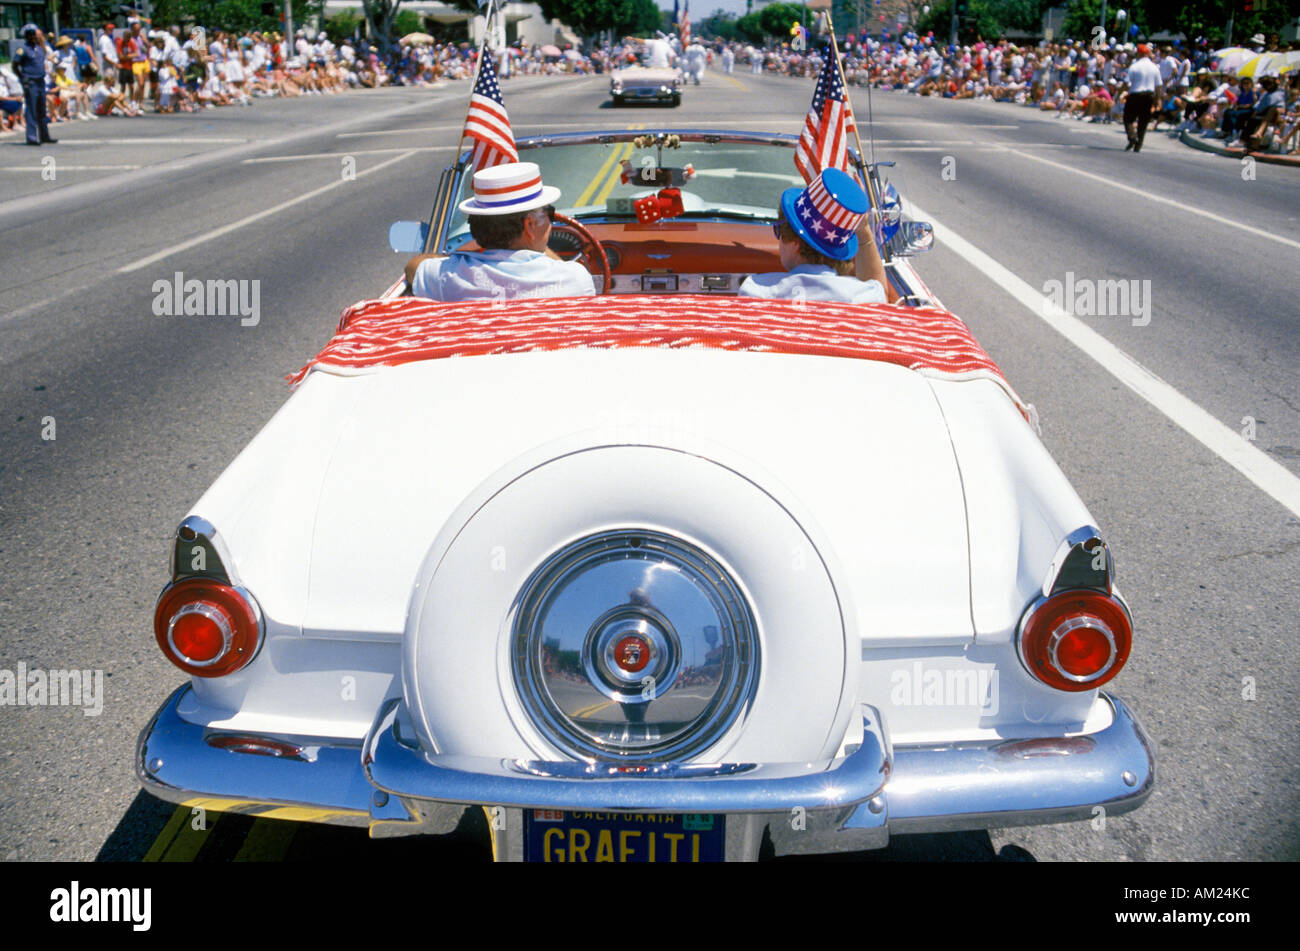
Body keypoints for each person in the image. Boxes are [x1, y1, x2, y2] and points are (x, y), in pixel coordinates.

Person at [405, 162, 596, 302]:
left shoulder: (447, 276)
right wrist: (540, 247)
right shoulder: (574, 279)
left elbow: (413, 267)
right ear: (529, 226)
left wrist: (461, 259)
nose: (551, 222)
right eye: (549, 213)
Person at [738, 168, 895, 305]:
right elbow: (881, 294)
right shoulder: (862, 297)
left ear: (794, 241)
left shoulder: (757, 291)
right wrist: (863, 228)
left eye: (779, 230)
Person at [11, 24, 54, 145]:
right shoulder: (23, 49)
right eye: (32, 35)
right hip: (31, 82)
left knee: (42, 110)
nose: (35, 37)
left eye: (35, 35)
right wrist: (22, 78)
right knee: (31, 110)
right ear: (27, 36)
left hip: (41, 81)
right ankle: (32, 137)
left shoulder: (39, 48)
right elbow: (15, 64)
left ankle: (44, 135)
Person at [1123, 44, 1162, 153]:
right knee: (1143, 121)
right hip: (1149, 95)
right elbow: (1158, 86)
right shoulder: (1154, 67)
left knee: (1128, 118)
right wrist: (1157, 100)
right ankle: (1138, 144)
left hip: (1135, 95)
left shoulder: (1134, 66)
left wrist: (1121, 92)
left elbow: (1126, 83)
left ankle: (1132, 137)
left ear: (1139, 54)